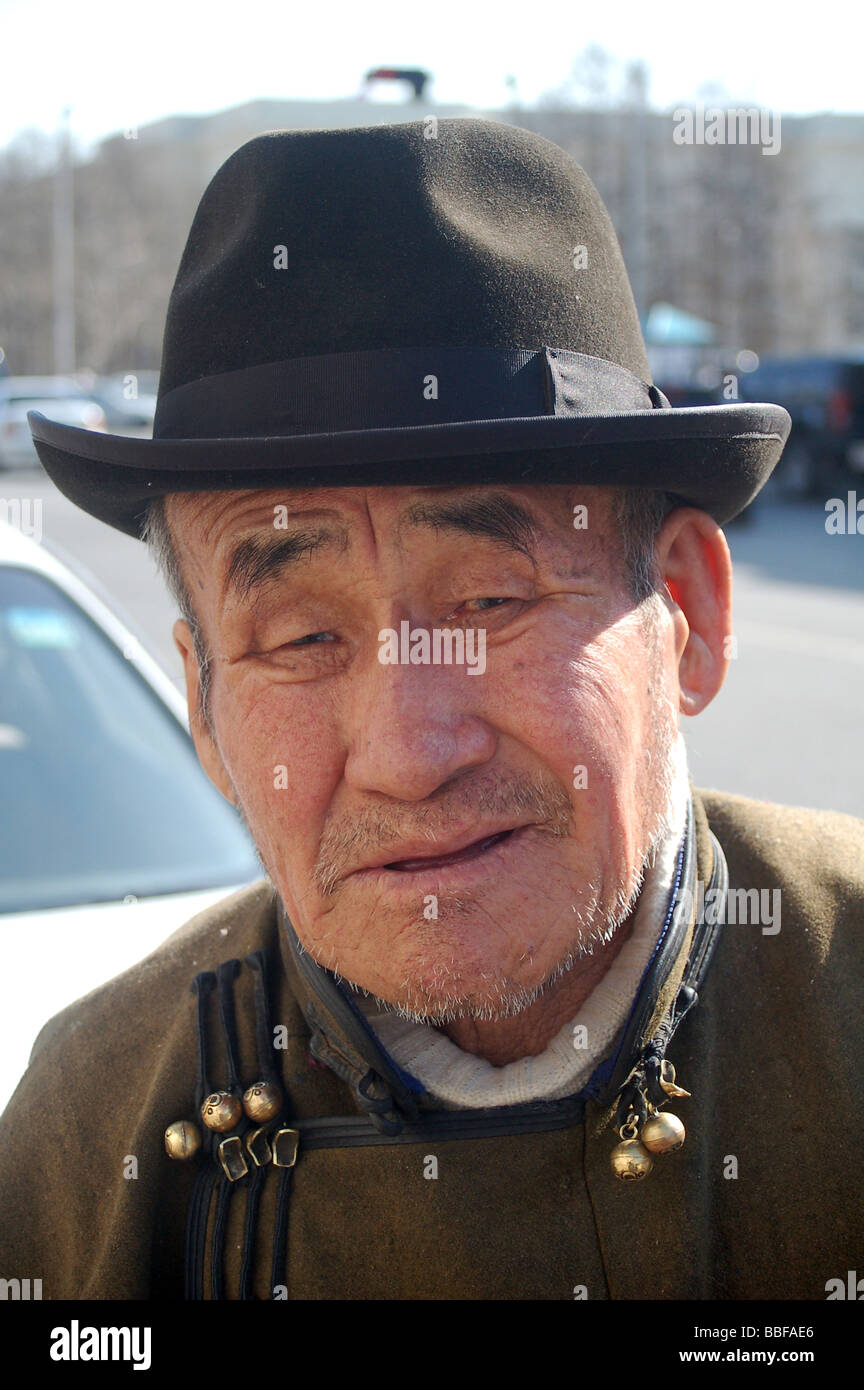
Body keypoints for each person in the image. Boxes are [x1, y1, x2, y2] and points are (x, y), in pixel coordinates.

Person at [4, 117, 861, 1301]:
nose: (409, 754)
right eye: (304, 637)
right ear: (204, 704)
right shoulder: (86, 1135)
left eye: (493, 598)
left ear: (686, 613)